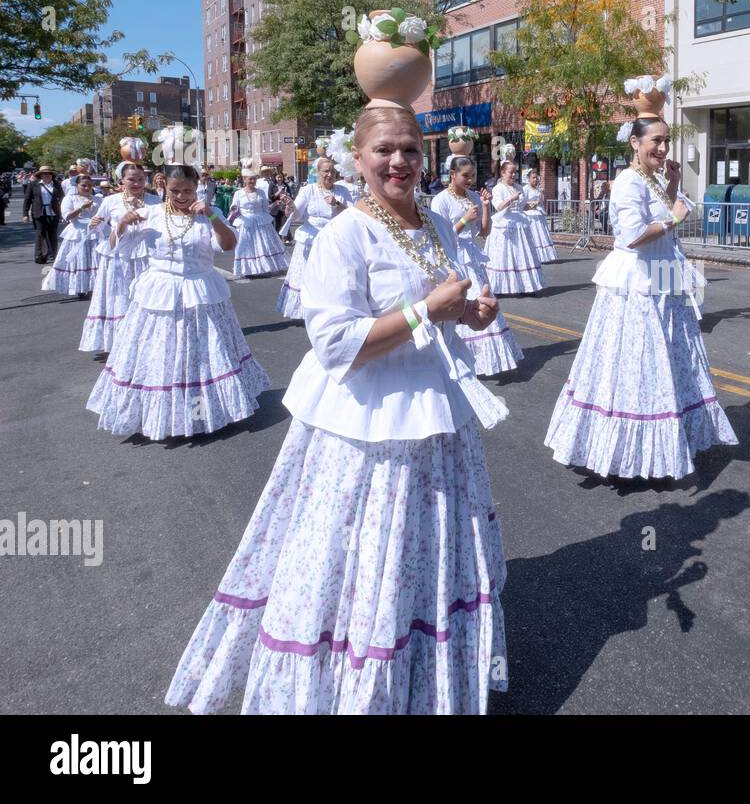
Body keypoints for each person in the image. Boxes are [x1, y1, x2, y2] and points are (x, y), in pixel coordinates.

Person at [165, 105, 508, 715]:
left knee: (424, 549)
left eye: (409, 149)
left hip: (435, 410)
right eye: (384, 150)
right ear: (359, 158)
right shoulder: (344, 235)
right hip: (368, 420)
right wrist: (428, 311)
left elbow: (443, 298)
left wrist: (469, 311)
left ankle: (423, 672)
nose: (398, 161)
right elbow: (336, 345)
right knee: (363, 552)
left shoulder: (435, 221)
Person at [544, 105, 735, 480]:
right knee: (640, 357)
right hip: (639, 277)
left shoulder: (650, 179)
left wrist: (674, 186)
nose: (663, 148)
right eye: (656, 141)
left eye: (666, 141)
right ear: (635, 142)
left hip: (662, 272)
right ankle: (627, 447)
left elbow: (661, 210)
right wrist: (675, 217)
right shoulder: (629, 181)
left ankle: (669, 429)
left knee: (667, 353)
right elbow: (633, 236)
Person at [87, 164, 269, 439]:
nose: (182, 196)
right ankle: (168, 415)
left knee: (204, 356)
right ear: (163, 189)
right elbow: (116, 248)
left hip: (201, 292)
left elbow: (229, 244)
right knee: (163, 355)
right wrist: (122, 224)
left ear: (197, 188)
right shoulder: (150, 214)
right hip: (160, 292)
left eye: (187, 190)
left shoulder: (208, 214)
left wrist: (211, 216)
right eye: (175, 191)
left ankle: (201, 414)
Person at [432, 155, 524, 376]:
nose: (470, 180)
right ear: (452, 175)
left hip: (472, 258)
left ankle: (487, 362)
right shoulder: (441, 200)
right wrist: (464, 220)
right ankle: (461, 358)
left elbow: (484, 232)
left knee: (482, 303)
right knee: (462, 306)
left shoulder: (473, 196)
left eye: (472, 175)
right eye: (465, 176)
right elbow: (440, 237)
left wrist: (484, 207)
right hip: (454, 258)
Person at [79, 162, 161, 352]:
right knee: (120, 298)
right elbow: (99, 226)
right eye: (131, 179)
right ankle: (120, 345)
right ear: (122, 180)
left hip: (146, 256)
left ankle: (145, 342)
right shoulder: (111, 201)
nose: (137, 183)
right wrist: (94, 223)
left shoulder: (155, 201)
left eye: (141, 179)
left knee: (144, 298)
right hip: (119, 257)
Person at [278, 157, 353, 319]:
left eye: (333, 171)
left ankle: (330, 309)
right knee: (308, 276)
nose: (330, 174)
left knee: (331, 277)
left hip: (335, 240)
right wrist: (290, 205)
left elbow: (352, 215)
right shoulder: (308, 190)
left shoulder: (342, 191)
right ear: (318, 173)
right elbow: (297, 215)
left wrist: (337, 204)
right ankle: (307, 310)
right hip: (310, 240)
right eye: (326, 171)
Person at [486, 158, 545, 295]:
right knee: (504, 256)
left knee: (522, 255)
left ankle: (526, 286)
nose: (513, 175)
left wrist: (530, 204)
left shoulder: (519, 187)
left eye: (515, 172)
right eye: (510, 172)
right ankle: (500, 286)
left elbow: (522, 205)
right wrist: (512, 198)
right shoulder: (498, 188)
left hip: (520, 223)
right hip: (505, 225)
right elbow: (499, 206)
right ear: (503, 173)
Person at [41, 174, 101, 298]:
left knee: (95, 259)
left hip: (95, 232)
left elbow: (105, 215)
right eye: (83, 185)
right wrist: (81, 208)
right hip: (78, 232)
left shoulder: (98, 199)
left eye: (89, 185)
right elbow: (67, 216)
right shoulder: (70, 198)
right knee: (79, 260)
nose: (86, 188)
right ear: (77, 186)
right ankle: (80, 286)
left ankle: (94, 286)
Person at [229, 168, 290, 278]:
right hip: (246, 222)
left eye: (254, 179)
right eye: (250, 179)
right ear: (244, 180)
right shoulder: (238, 193)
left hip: (261, 222)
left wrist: (275, 207)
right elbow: (234, 207)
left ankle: (265, 267)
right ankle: (248, 269)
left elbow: (266, 208)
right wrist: (234, 210)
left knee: (264, 245)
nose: (253, 181)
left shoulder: (260, 192)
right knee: (247, 246)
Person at [23, 164, 63, 265]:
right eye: (44, 174)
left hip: (53, 213)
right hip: (39, 213)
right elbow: (27, 200)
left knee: (52, 234)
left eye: (49, 173)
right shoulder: (33, 184)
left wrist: (64, 212)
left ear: (52, 175)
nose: (47, 175)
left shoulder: (56, 184)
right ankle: (39, 256)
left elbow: (62, 198)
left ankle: (53, 254)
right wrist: (25, 214)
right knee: (40, 234)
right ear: (40, 175)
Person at [520, 168, 557, 263]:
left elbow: (541, 202)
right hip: (529, 216)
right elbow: (522, 203)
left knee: (540, 236)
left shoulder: (538, 190)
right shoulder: (525, 189)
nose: (535, 180)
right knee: (532, 235)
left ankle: (542, 256)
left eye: (536, 178)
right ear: (529, 179)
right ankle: (530, 256)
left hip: (538, 215)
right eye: (533, 178)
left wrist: (539, 200)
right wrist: (530, 204)